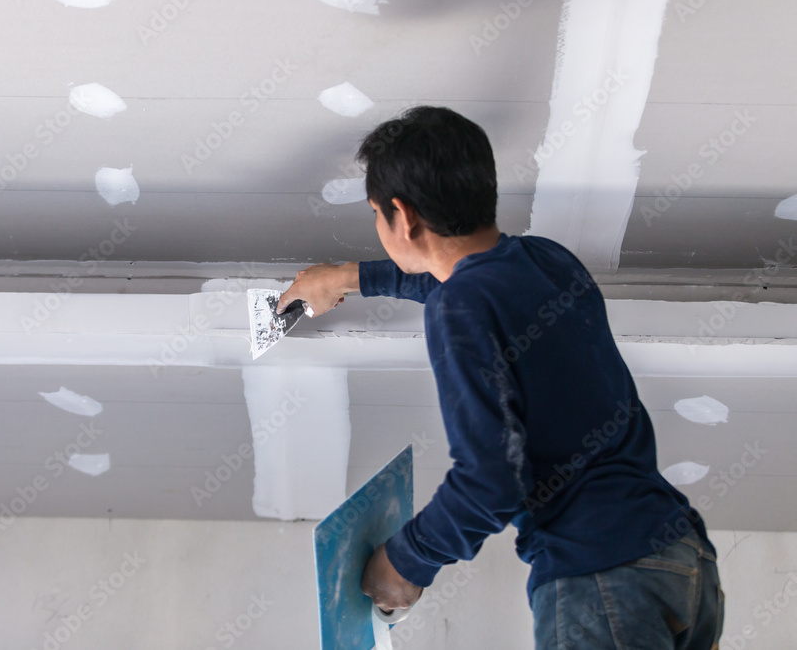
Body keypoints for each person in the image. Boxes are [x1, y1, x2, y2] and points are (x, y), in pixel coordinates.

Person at [276, 106, 724, 649]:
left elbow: (491, 481)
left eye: (376, 214)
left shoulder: (460, 308)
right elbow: (457, 282)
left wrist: (406, 561)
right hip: (682, 562)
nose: (378, 226)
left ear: (403, 215)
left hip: (601, 576)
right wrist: (351, 277)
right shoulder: (548, 261)